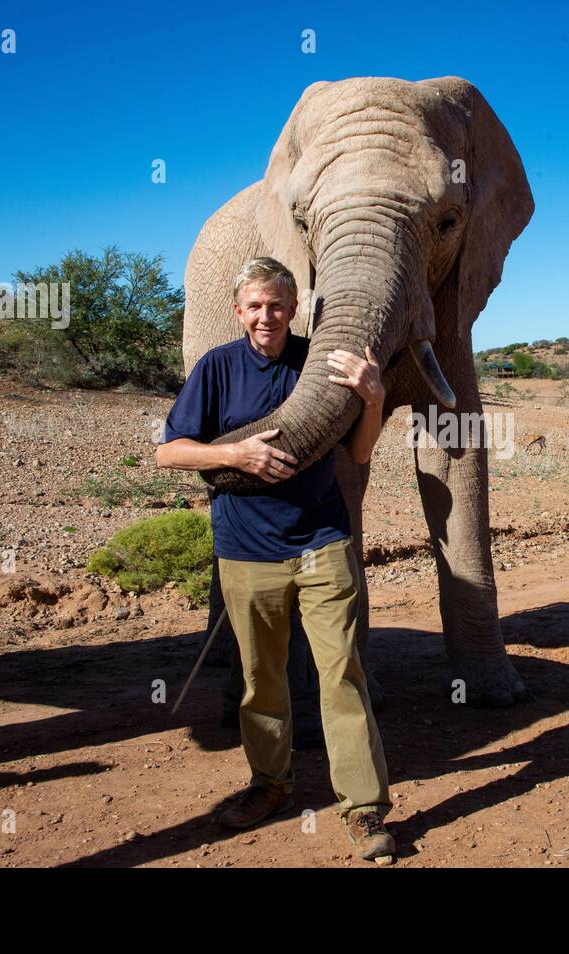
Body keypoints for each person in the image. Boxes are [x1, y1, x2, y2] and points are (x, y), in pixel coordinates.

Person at [154, 257, 394, 860]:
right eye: (255, 306)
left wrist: (373, 399)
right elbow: (170, 454)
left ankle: (364, 809)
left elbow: (360, 455)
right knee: (263, 680)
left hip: (321, 542)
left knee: (341, 674)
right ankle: (270, 786)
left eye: (278, 305)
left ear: (296, 308)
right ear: (239, 311)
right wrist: (235, 457)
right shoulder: (218, 368)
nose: (267, 316)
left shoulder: (320, 364)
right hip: (246, 550)